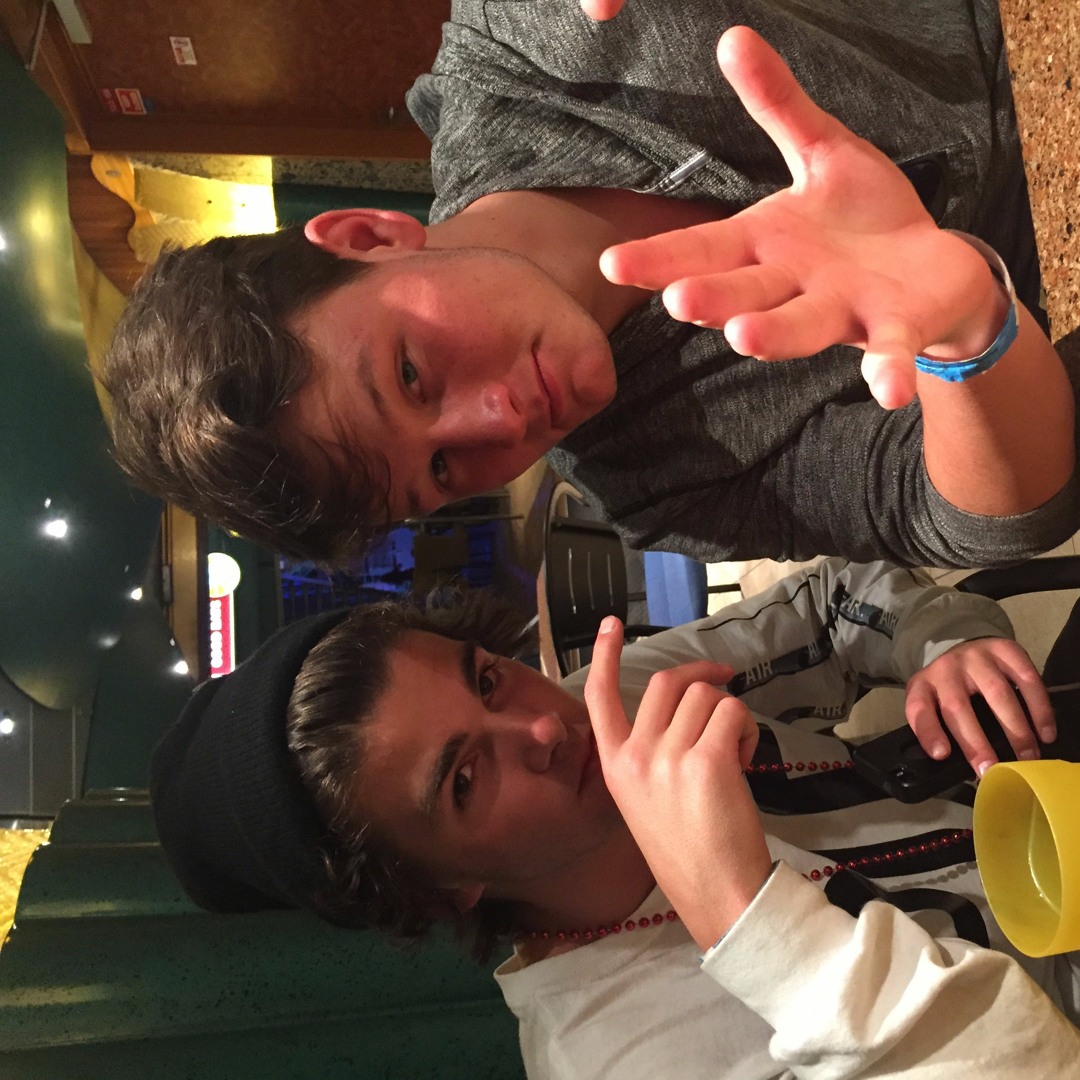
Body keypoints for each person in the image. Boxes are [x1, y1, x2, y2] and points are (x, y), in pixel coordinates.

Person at [101, 7, 1078, 568]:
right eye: (438, 474)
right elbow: (988, 518)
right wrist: (966, 333)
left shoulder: (531, 43)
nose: (499, 424)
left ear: (371, 237)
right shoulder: (656, 480)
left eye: (409, 375)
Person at [152, 560, 1080, 1078]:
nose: (542, 727)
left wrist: (944, 643)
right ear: (438, 889)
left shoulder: (611, 704)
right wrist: (745, 916)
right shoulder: (617, 1055)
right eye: (465, 778)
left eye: (486, 679)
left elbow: (828, 607)